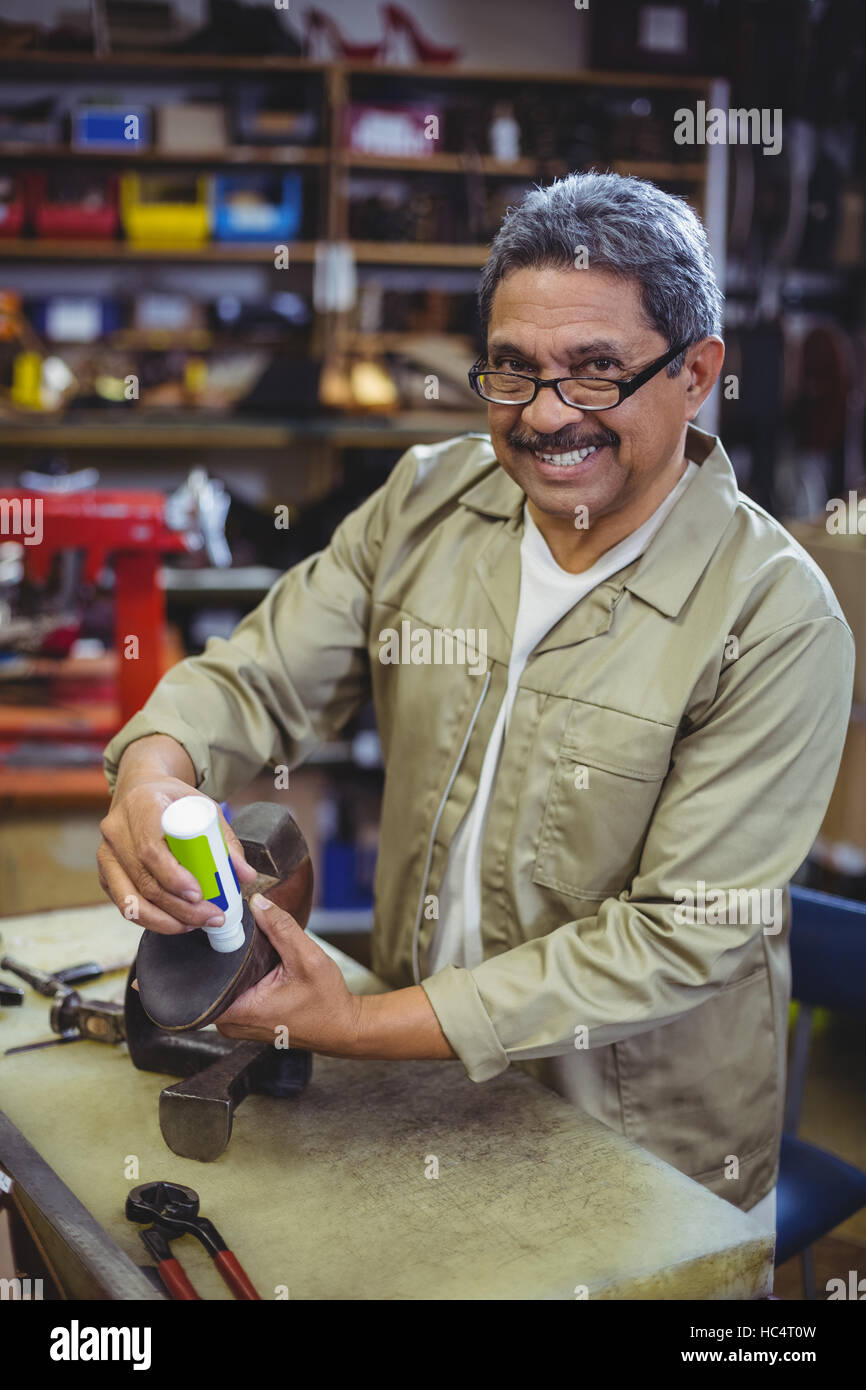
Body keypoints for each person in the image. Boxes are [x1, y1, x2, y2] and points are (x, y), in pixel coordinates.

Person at [101, 172, 853, 1231]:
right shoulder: (426, 502)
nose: (546, 417)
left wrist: (358, 1024)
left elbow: (678, 937)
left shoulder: (774, 618)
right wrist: (151, 773)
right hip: (410, 1100)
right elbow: (256, 674)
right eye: (511, 370)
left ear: (695, 374)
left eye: (594, 373)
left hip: (631, 1156)